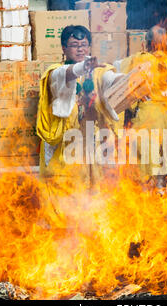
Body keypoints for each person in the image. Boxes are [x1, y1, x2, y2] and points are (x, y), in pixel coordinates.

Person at [36, 25, 124, 191]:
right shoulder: (54, 72)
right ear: (64, 48)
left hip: (91, 143)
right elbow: (66, 74)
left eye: (84, 45)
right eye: (75, 46)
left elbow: (110, 78)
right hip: (64, 146)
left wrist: (130, 81)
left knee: (94, 193)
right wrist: (82, 67)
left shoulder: (97, 71)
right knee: (63, 193)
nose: (80, 49)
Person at [113, 25, 167, 189]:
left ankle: (150, 194)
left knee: (148, 161)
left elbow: (117, 73)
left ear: (145, 44)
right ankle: (163, 191)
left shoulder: (139, 59)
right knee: (166, 159)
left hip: (148, 116)